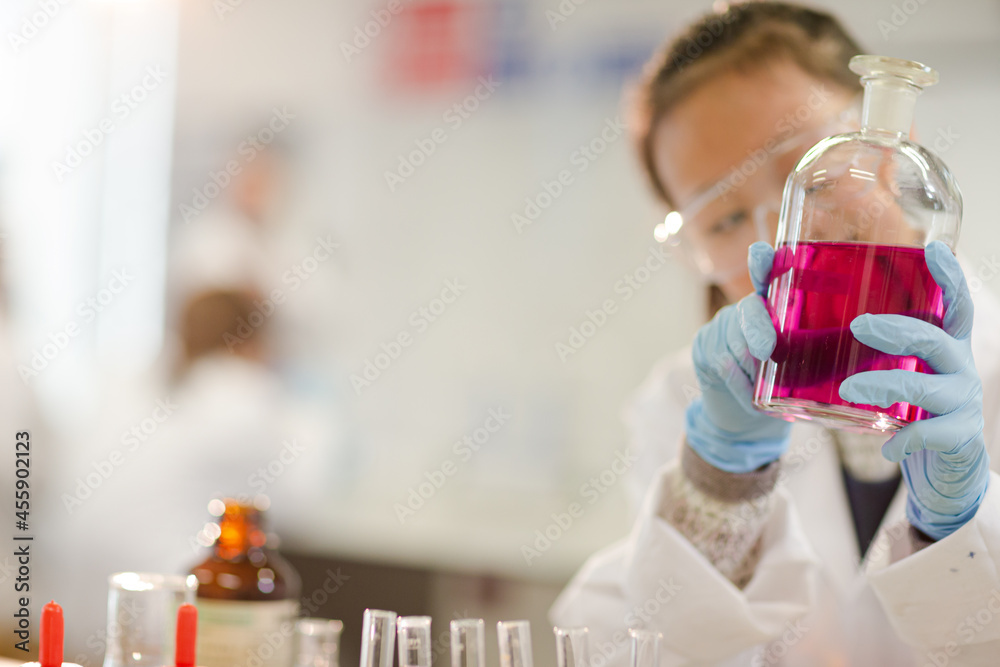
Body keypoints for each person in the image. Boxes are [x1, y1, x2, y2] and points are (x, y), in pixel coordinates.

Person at [550, 3, 1000, 665]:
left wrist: (963, 528)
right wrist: (719, 486)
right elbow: (640, 641)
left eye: (810, 173)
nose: (782, 236)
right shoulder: (683, 406)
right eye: (726, 219)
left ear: (894, 144)